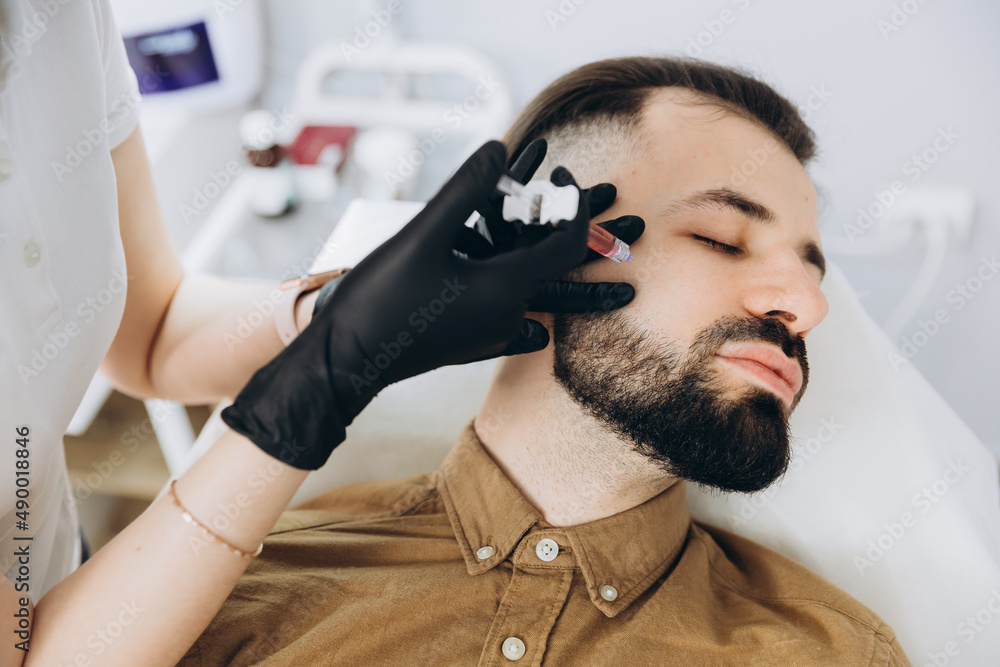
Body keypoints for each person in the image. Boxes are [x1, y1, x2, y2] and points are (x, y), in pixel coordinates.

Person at [176, 57, 913, 666]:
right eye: (722, 237)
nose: (808, 308)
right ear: (542, 241)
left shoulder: (832, 653)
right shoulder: (238, 587)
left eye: (812, 273)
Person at [0, 1, 642, 663]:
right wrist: (320, 380)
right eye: (719, 239)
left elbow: (154, 332)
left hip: (54, 566)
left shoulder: (60, 20)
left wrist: (339, 306)